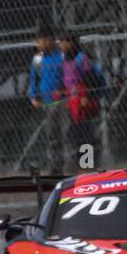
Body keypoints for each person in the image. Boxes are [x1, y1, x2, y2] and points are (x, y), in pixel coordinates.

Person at [59, 33, 103, 170]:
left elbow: (90, 78)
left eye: (63, 42)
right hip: (73, 102)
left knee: (86, 133)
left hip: (83, 101)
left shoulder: (80, 58)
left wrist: (86, 97)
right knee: (74, 133)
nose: (60, 45)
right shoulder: (65, 59)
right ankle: (79, 163)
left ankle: (88, 164)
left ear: (70, 42)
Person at [28, 23, 68, 174]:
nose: (41, 44)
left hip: (66, 102)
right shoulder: (37, 60)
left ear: (51, 40)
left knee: (69, 135)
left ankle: (77, 166)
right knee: (53, 137)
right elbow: (34, 80)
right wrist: (33, 96)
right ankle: (56, 169)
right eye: (38, 41)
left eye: (44, 40)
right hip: (49, 104)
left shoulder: (62, 55)